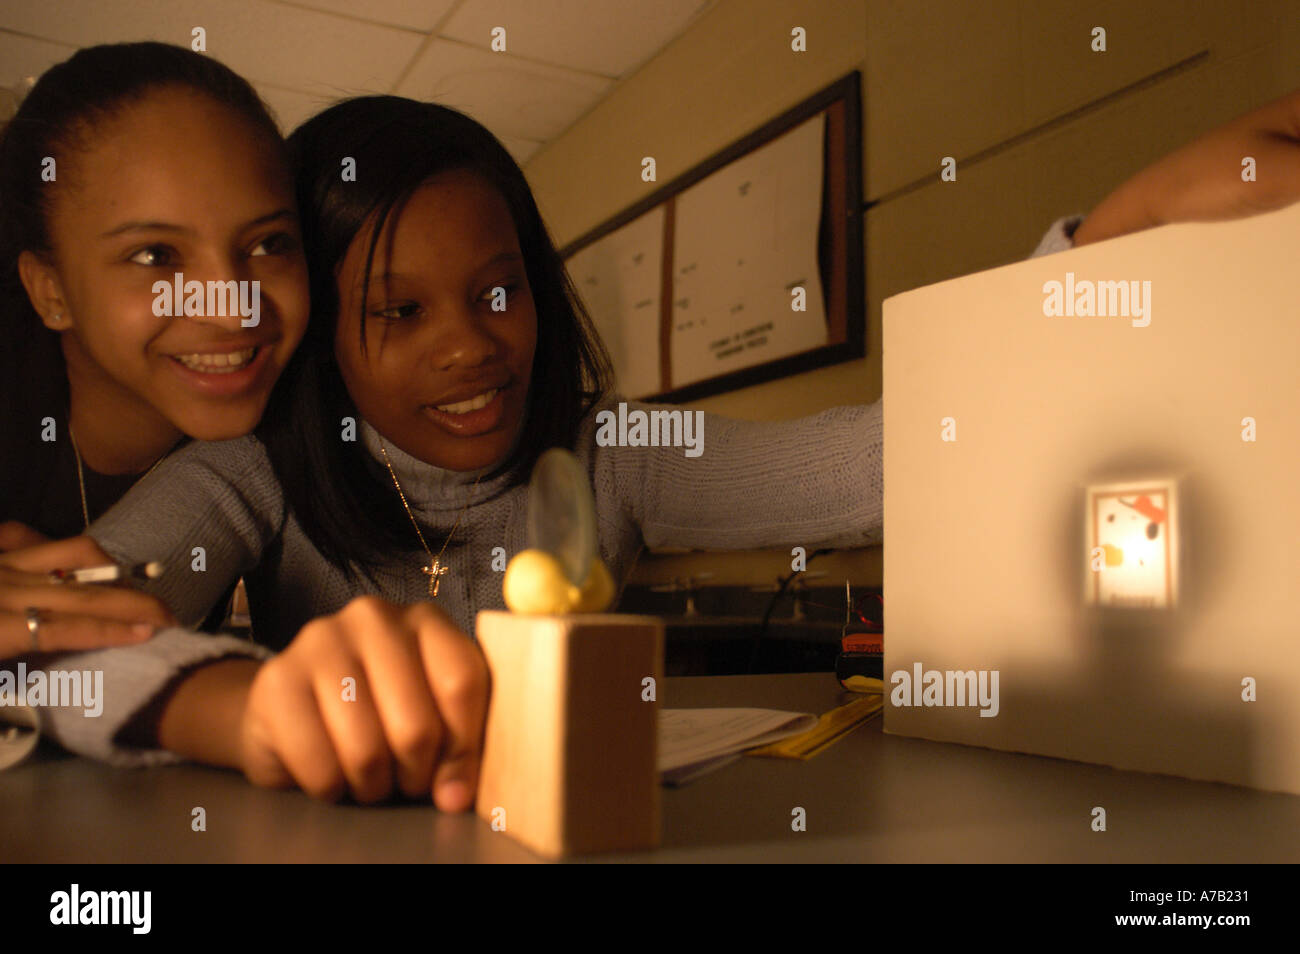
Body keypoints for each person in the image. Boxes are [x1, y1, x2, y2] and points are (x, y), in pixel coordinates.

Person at [8, 89, 1300, 809]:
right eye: (398, 312)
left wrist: (1112, 237)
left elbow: (899, 455)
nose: (473, 348)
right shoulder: (247, 480)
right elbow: (60, 649)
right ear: (327, 347)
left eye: (500, 292)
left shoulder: (616, 454)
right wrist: (241, 699)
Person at [0, 42, 311, 657]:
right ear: (52, 290)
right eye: (156, 256)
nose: (229, 308)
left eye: (269, 243)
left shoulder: (302, 428)